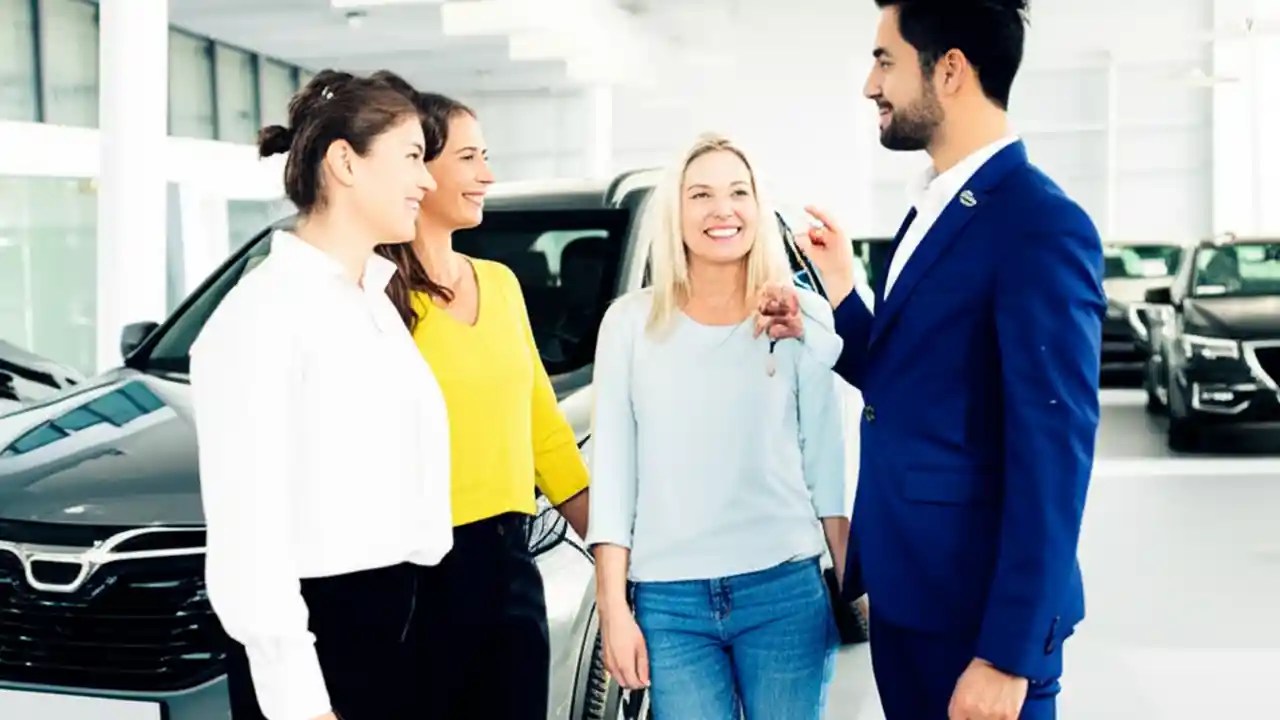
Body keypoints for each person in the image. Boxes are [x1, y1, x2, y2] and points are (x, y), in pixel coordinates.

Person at [793, 1, 1107, 718]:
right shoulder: (933, 207)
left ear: (952, 70)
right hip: (912, 600)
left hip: (979, 624)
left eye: (884, 61)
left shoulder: (1038, 223)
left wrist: (1006, 655)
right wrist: (842, 296)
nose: (871, 86)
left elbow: (1054, 458)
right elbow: (915, 382)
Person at [188, 69, 448, 720]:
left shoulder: (377, 304)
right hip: (319, 652)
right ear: (344, 163)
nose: (428, 181)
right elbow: (250, 541)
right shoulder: (261, 315)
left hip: (394, 624)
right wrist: (301, 702)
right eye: (413, 157)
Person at [586, 132, 849, 720]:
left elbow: (825, 459)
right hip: (670, 604)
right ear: (674, 214)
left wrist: (855, 589)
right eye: (700, 194)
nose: (721, 209)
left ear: (759, 206)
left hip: (784, 591)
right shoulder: (629, 324)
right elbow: (614, 474)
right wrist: (613, 609)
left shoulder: (799, 315)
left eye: (738, 191)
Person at [372, 84, 591, 720]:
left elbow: (543, 431)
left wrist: (612, 556)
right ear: (419, 166)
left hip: (508, 565)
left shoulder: (499, 284)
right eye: (469, 158)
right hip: (415, 576)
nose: (487, 175)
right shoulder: (375, 297)